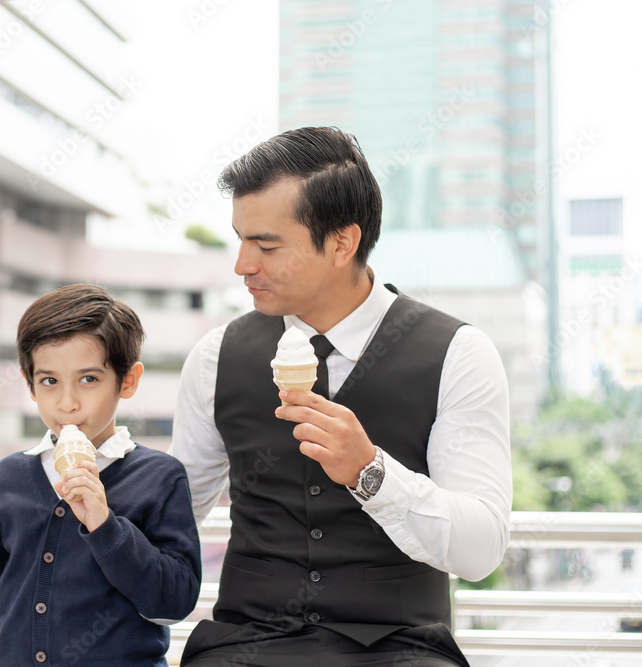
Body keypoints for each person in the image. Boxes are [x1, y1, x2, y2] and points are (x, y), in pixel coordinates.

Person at [169, 127, 512, 666]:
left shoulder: (459, 354)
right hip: (245, 647)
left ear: (341, 243)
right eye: (240, 239)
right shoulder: (215, 357)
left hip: (400, 651)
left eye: (267, 245)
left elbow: (481, 549)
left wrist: (370, 472)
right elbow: (172, 516)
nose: (243, 265)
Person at [0, 283, 201, 666]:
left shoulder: (159, 478)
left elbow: (174, 602)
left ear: (128, 380)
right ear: (30, 384)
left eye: (89, 379)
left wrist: (105, 525)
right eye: (50, 381)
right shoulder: (9, 476)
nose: (67, 403)